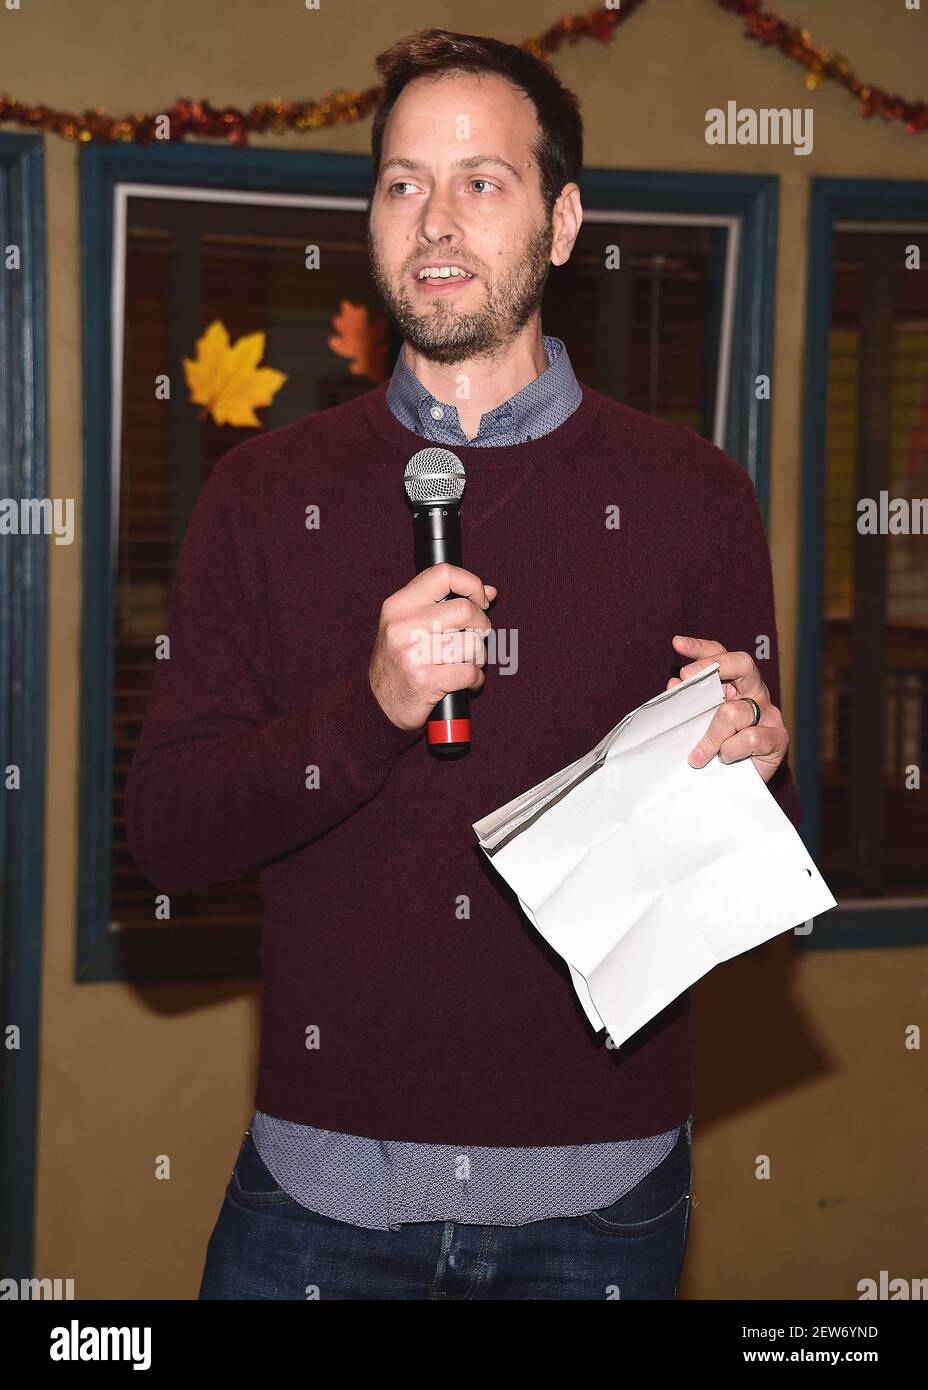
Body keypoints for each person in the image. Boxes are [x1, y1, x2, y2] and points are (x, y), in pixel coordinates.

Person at [126, 27, 799, 1301]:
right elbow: (167, 833)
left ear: (561, 220)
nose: (435, 220)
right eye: (401, 182)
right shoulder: (263, 494)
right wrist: (368, 712)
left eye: (482, 180)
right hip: (322, 1201)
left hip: (599, 1210)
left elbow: (762, 870)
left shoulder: (693, 497)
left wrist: (749, 769)